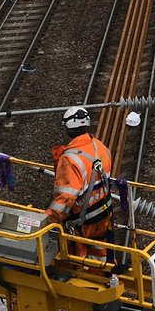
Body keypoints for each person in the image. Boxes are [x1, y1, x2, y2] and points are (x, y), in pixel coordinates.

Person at [46, 106, 113, 259]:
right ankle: (108, 276)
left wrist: (49, 220)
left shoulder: (69, 159)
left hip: (83, 220)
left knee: (79, 257)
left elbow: (66, 198)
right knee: (101, 252)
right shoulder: (100, 147)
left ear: (67, 128)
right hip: (103, 212)